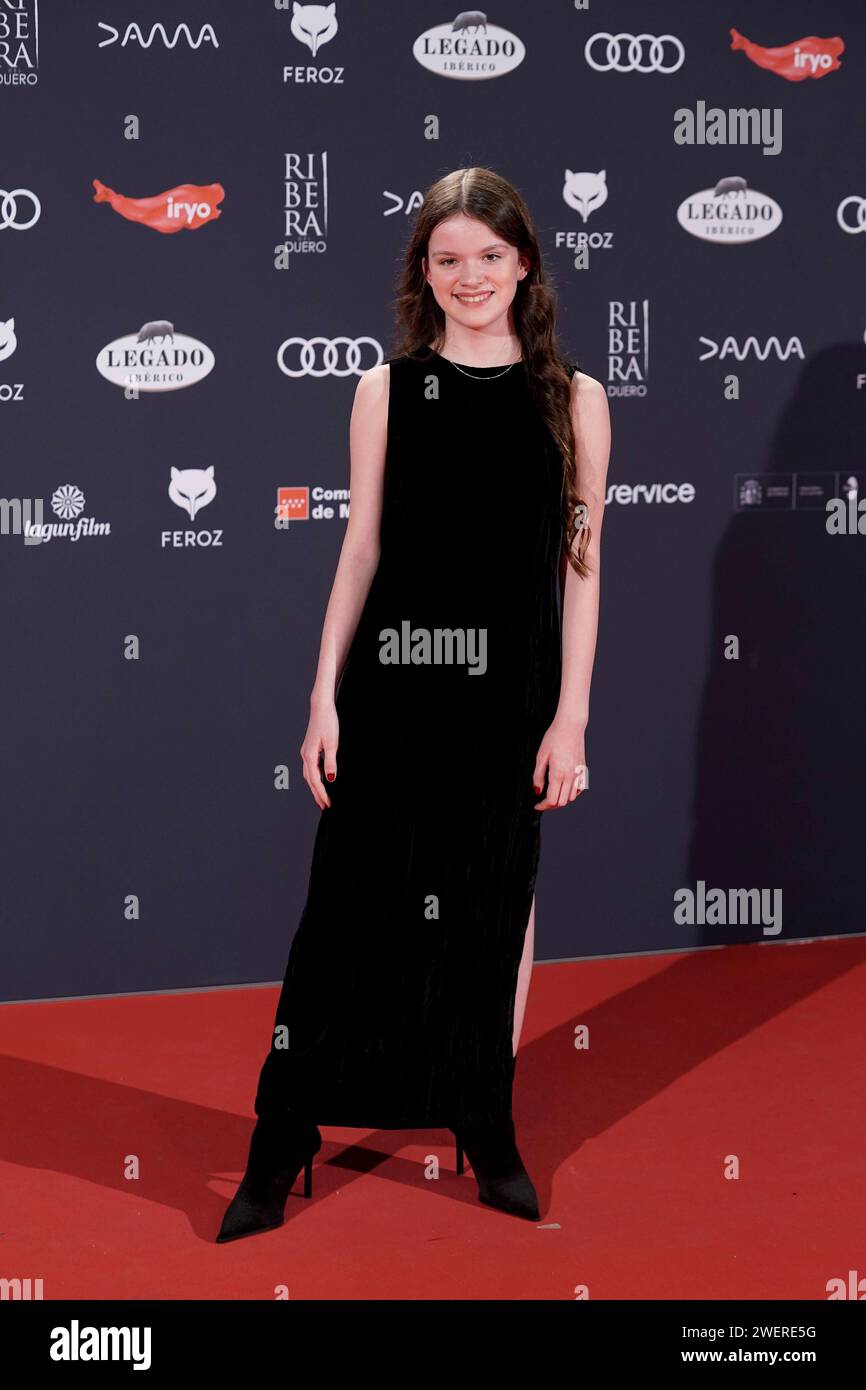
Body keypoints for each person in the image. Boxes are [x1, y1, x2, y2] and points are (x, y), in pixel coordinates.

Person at [216, 166, 611, 1243]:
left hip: (511, 700)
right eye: (447, 260)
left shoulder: (573, 398)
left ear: (523, 262)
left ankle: (484, 1120)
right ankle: (282, 1130)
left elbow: (580, 567)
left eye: (488, 256)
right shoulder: (387, 391)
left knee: (490, 911)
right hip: (393, 689)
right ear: (422, 274)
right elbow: (360, 548)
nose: (469, 276)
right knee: (346, 913)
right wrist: (321, 698)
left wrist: (570, 713)